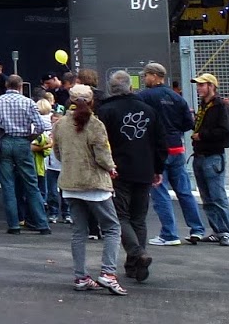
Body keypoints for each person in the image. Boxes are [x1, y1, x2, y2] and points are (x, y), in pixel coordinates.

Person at [96, 70, 169, 284]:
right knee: (138, 217)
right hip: (144, 169)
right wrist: (158, 168)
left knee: (119, 216)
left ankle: (137, 253)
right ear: (131, 87)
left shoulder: (106, 111)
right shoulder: (149, 110)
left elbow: (100, 143)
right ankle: (134, 264)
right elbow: (160, 143)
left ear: (111, 88)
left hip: (117, 170)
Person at [55, 84, 128, 295]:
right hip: (94, 184)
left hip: (70, 183)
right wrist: (112, 169)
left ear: (70, 100)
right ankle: (108, 272)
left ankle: (80, 276)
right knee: (112, 227)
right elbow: (103, 155)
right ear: (91, 101)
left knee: (79, 231)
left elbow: (58, 153)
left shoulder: (60, 125)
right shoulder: (95, 124)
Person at [137, 62, 207, 246]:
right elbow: (188, 123)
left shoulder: (144, 97)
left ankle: (169, 234)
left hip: (156, 150)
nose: (144, 79)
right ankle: (197, 229)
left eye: (145, 75)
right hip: (177, 147)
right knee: (184, 191)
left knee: (160, 192)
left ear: (153, 75)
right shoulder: (177, 98)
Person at [0, 75, 50, 234]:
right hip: (22, 143)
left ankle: (13, 225)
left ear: (6, 85)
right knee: (31, 184)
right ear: (20, 86)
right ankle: (42, 224)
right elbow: (41, 126)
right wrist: (30, 137)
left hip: (4, 141)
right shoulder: (28, 102)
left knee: (7, 185)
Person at [190, 73, 229, 246]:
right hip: (200, 155)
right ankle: (217, 230)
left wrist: (203, 135)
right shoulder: (204, 106)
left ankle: (226, 232)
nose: (198, 88)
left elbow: (226, 131)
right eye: (198, 85)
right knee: (207, 197)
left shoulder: (220, 106)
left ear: (211, 86)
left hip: (213, 156)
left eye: (202, 85)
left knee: (217, 196)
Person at [32, 97, 56, 220]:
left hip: (38, 156)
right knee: (48, 183)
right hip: (51, 156)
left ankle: (42, 202)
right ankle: (47, 202)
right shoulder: (54, 119)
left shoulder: (35, 120)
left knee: (39, 183)